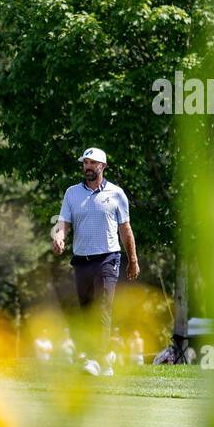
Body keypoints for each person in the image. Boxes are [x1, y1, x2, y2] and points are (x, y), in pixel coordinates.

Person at [51, 147, 139, 374]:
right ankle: (104, 360)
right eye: (85, 163)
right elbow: (63, 223)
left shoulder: (116, 193)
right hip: (81, 260)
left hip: (108, 258)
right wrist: (59, 237)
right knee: (87, 309)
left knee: (102, 307)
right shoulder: (72, 193)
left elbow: (125, 229)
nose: (87, 167)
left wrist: (133, 260)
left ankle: (95, 359)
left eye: (92, 163)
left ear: (103, 166)